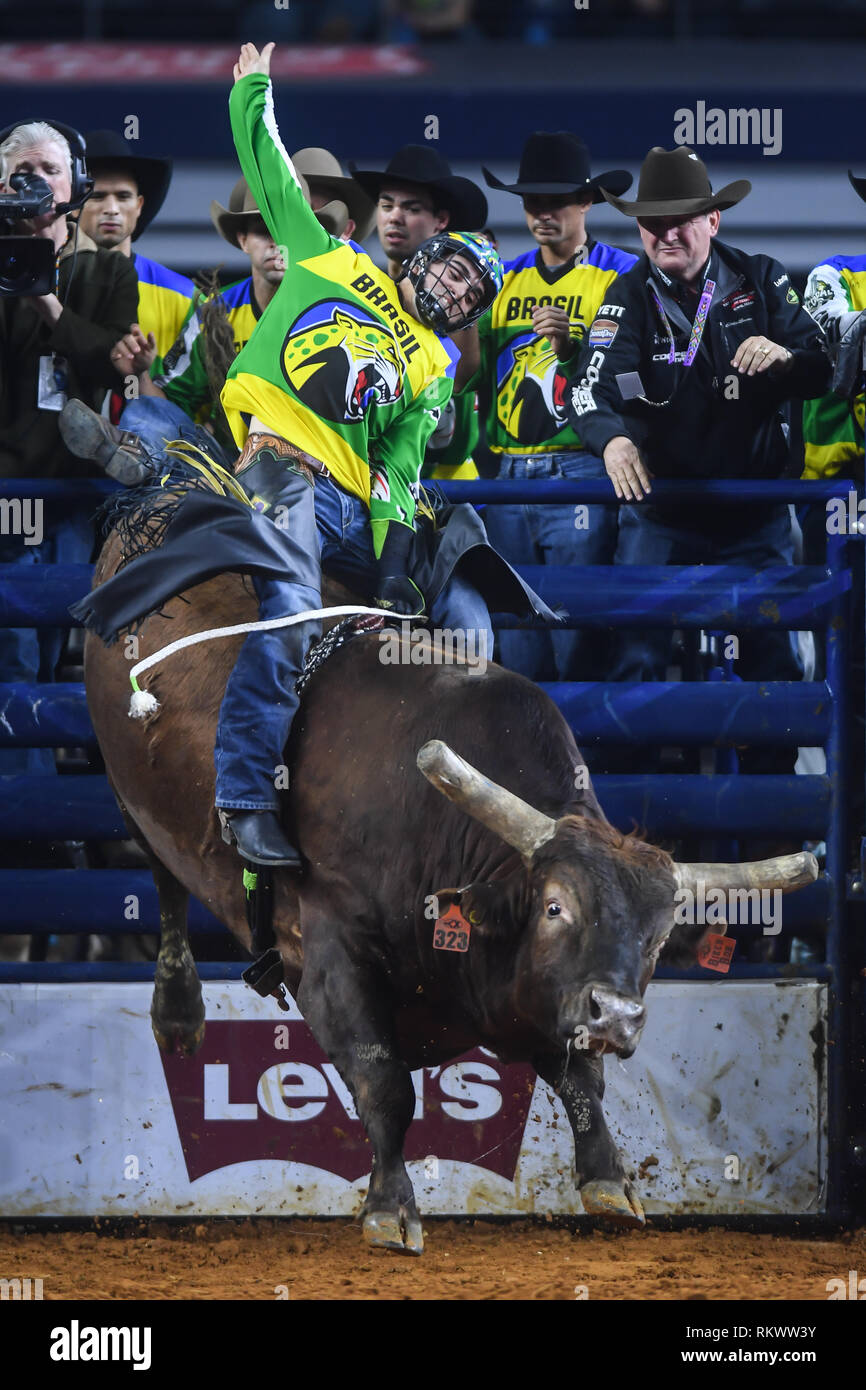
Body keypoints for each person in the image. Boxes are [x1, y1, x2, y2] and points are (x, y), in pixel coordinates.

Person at [62, 42, 507, 869]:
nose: (452, 295)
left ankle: (457, 806)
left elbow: (401, 473)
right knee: (295, 609)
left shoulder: (433, 369)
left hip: (352, 501)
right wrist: (254, 93)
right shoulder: (332, 258)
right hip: (280, 468)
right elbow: (270, 174)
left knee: (466, 615)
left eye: (470, 298)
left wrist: (403, 557)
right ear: (425, 256)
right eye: (451, 275)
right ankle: (241, 796)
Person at [568, 145, 831, 775]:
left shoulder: (761, 277)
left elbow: (822, 367)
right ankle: (637, 833)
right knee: (634, 661)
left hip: (755, 516)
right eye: (653, 223)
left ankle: (779, 823)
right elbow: (588, 387)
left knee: (774, 668)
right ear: (638, 230)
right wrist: (612, 439)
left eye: (683, 218)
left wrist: (786, 359)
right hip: (662, 516)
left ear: (714, 221)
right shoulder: (626, 295)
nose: (667, 233)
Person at [0, 119, 138, 773]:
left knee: (71, 658)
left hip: (78, 496)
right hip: (10, 494)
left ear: (75, 186)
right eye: (19, 171)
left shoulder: (108, 272)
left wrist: (49, 302)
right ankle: (28, 818)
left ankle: (71, 810)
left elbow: (108, 366)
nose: (31, 182)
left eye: (47, 171)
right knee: (16, 654)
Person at [476, 131, 636, 680]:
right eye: (531, 202)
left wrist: (575, 349)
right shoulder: (498, 280)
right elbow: (471, 376)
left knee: (577, 637)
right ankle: (527, 766)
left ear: (587, 201)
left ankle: (582, 762)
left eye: (557, 200)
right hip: (507, 475)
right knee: (518, 650)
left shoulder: (623, 275)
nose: (542, 213)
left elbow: (634, 377)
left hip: (582, 468)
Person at [350, 143, 488, 479]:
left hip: (445, 486)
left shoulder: (465, 301)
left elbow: (460, 381)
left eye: (411, 208)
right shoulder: (356, 282)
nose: (394, 217)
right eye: (386, 205)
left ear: (441, 221)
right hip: (367, 480)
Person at [77, 129, 195, 377]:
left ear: (139, 205)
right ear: (74, 205)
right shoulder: (50, 287)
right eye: (97, 196)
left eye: (123, 196)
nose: (111, 208)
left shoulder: (184, 296)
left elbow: (198, 396)